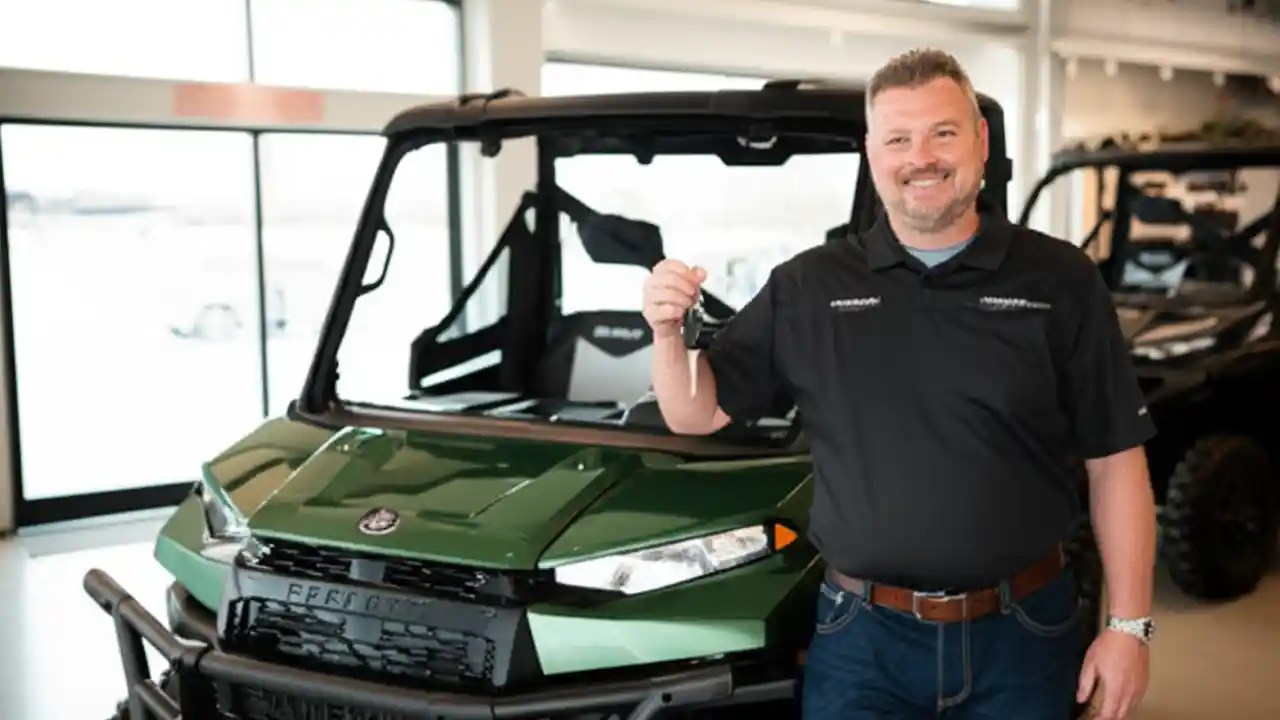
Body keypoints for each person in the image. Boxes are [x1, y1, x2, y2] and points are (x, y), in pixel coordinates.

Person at [641, 48, 1156, 720]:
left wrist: (1130, 628)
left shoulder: (1060, 281)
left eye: (943, 132)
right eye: (898, 139)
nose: (923, 157)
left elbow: (1116, 461)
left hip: (1025, 633)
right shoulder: (809, 286)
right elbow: (695, 413)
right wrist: (665, 331)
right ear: (871, 152)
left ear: (980, 141)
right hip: (862, 640)